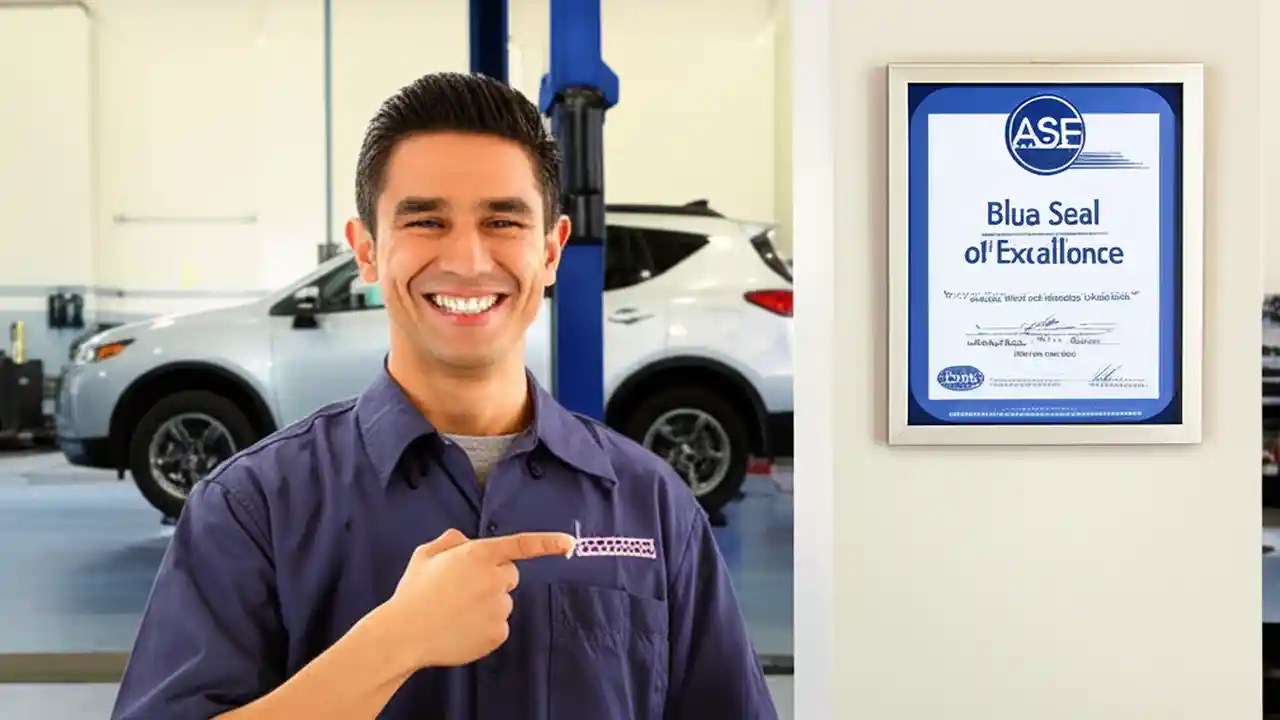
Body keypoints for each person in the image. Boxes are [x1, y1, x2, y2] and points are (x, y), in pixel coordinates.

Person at [111, 71, 779, 719]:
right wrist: (392, 645)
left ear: (551, 252)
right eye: (426, 221)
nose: (466, 259)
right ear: (366, 251)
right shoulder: (253, 508)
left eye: (503, 222)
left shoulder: (651, 507)